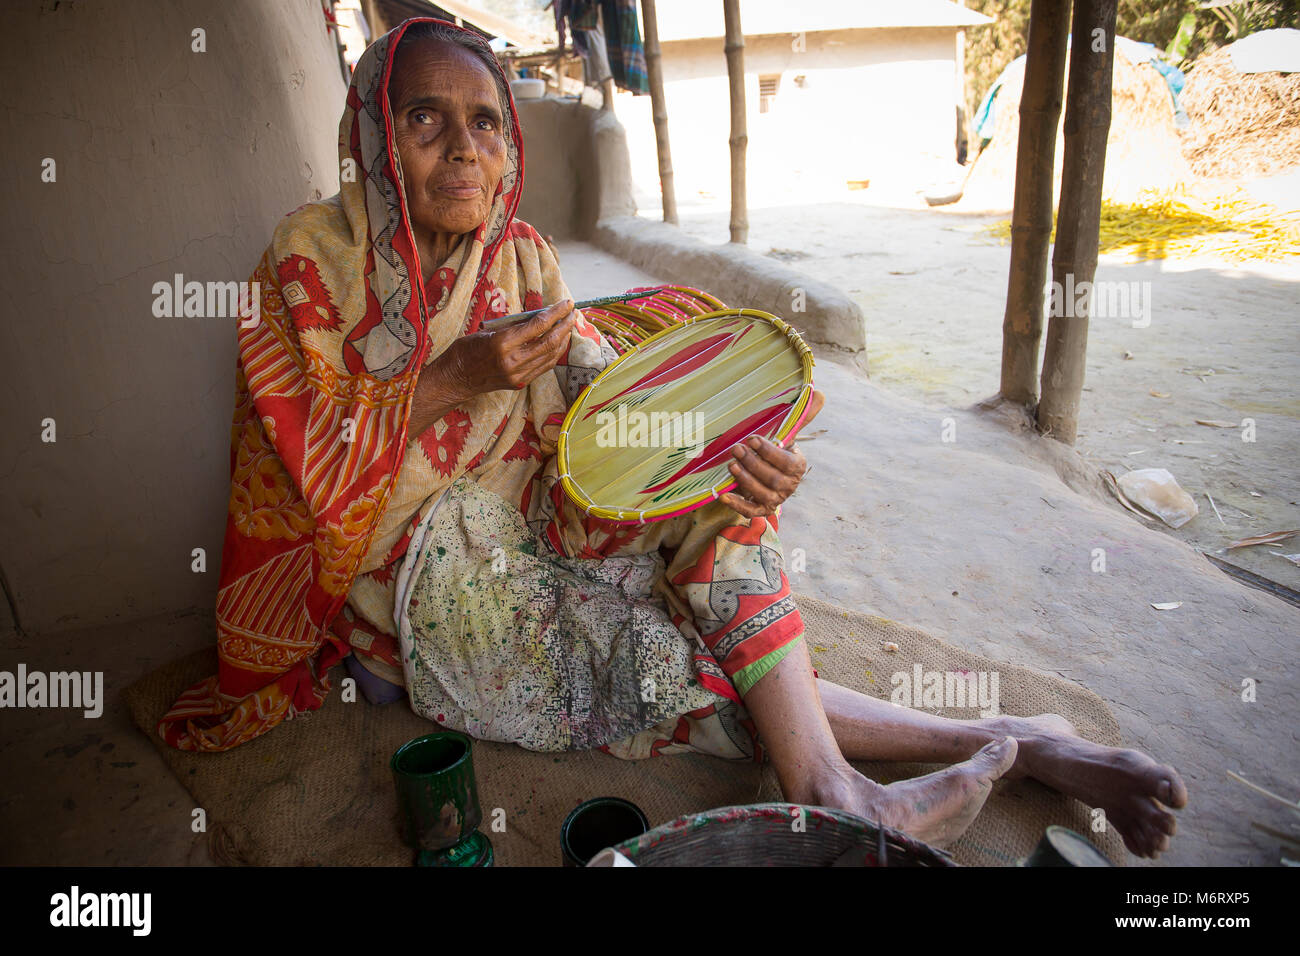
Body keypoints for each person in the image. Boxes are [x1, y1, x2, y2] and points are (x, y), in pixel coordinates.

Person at [161, 17, 1186, 858]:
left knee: (717, 490)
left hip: (531, 506)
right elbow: (305, 468)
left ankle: (827, 779)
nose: (462, 148)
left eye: (483, 122)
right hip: (414, 562)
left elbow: (599, 411)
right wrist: (458, 372)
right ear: (374, 129)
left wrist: (730, 453)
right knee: (648, 658)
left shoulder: (517, 253)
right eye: (424, 118)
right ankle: (1006, 739)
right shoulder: (308, 258)